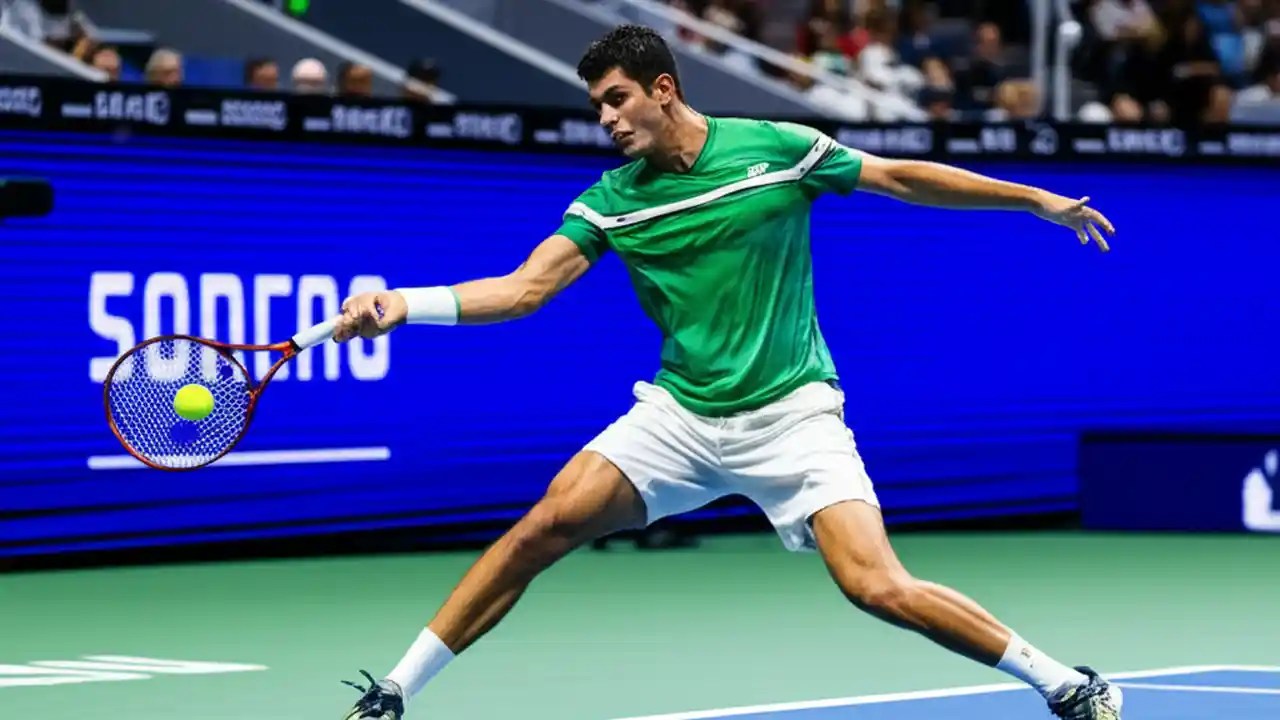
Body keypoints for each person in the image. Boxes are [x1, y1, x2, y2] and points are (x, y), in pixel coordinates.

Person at [333, 23, 1119, 720]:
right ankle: (393, 693)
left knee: (876, 586)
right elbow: (522, 289)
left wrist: (1032, 199)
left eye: (616, 99)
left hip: (793, 416)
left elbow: (898, 176)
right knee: (541, 528)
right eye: (598, 106)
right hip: (679, 418)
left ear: (662, 89)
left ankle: (1067, 686)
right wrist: (404, 302)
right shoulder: (610, 201)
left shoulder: (776, 150)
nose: (606, 119)